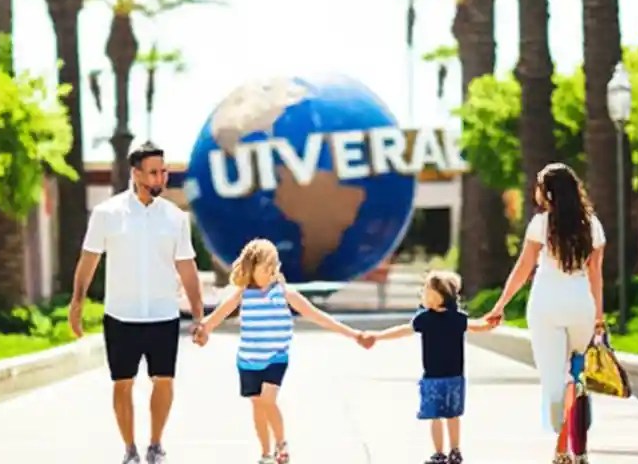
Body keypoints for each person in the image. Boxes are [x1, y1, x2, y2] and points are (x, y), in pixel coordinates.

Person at [68, 142, 206, 464]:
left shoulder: (176, 218)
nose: (161, 178)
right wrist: (77, 302)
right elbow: (89, 261)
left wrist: (199, 315)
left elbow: (187, 267)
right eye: (154, 172)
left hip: (162, 314)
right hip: (121, 315)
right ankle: (130, 449)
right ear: (136, 174)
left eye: (164, 171)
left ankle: (155, 445)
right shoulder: (107, 214)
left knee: (164, 380)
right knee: (122, 384)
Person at [195, 238, 364, 464]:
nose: (270, 273)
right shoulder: (242, 293)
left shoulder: (283, 292)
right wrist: (204, 328)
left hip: (276, 357)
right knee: (257, 405)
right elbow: (219, 314)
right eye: (265, 269)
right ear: (251, 268)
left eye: (274, 268)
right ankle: (265, 453)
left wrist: (353, 333)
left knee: (268, 399)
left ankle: (281, 444)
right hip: (248, 359)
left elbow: (316, 315)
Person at [484, 163, 605, 464]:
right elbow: (595, 275)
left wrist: (500, 305)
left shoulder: (541, 224)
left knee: (554, 385)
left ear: (548, 192)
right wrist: (599, 318)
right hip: (581, 307)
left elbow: (523, 268)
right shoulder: (592, 225)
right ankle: (574, 448)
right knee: (576, 378)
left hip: (545, 306)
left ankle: (563, 446)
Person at [359, 270, 496, 464]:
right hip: (443, 377)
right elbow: (403, 330)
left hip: (443, 378)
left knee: (445, 416)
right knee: (444, 416)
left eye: (426, 290)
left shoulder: (451, 318)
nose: (423, 294)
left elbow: (477, 326)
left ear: (439, 295)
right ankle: (445, 452)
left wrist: (491, 320)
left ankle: (450, 451)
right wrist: (377, 336)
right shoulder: (428, 318)